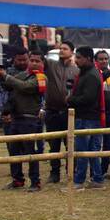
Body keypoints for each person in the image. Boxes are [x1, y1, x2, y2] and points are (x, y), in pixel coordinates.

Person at [0, 50, 44, 191]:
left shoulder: (41, 77)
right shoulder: (23, 75)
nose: (34, 63)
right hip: (16, 118)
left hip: (30, 119)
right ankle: (17, 180)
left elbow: (25, 87)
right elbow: (8, 86)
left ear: (43, 63)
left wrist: (6, 76)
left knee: (31, 152)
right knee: (13, 151)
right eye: (32, 60)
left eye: (38, 61)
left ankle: (35, 182)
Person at [38, 39, 78, 184]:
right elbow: (40, 56)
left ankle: (70, 172)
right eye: (60, 48)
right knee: (53, 146)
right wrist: (35, 39)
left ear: (72, 52)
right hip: (52, 112)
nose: (62, 50)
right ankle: (54, 173)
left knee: (70, 145)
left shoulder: (77, 70)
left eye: (65, 49)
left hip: (69, 113)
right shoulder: (51, 65)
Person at [70, 46, 106, 188]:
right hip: (90, 118)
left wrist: (70, 100)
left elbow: (88, 99)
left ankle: (79, 181)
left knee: (83, 151)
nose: (76, 60)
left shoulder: (90, 75)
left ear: (88, 58)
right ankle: (97, 179)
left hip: (87, 118)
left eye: (79, 57)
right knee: (91, 151)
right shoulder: (88, 73)